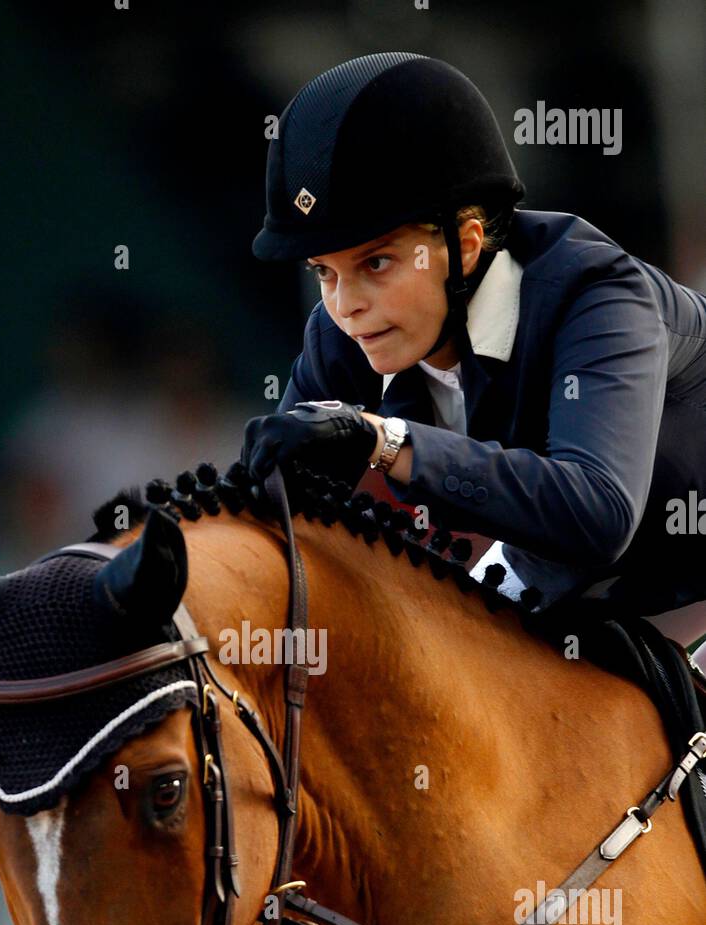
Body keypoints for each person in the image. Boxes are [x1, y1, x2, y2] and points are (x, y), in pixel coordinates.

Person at [241, 52, 706, 635]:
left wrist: (385, 440)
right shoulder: (344, 331)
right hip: (604, 594)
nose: (345, 304)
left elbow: (597, 513)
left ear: (466, 246)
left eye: (376, 262)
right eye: (324, 271)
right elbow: (275, 517)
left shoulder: (598, 296)